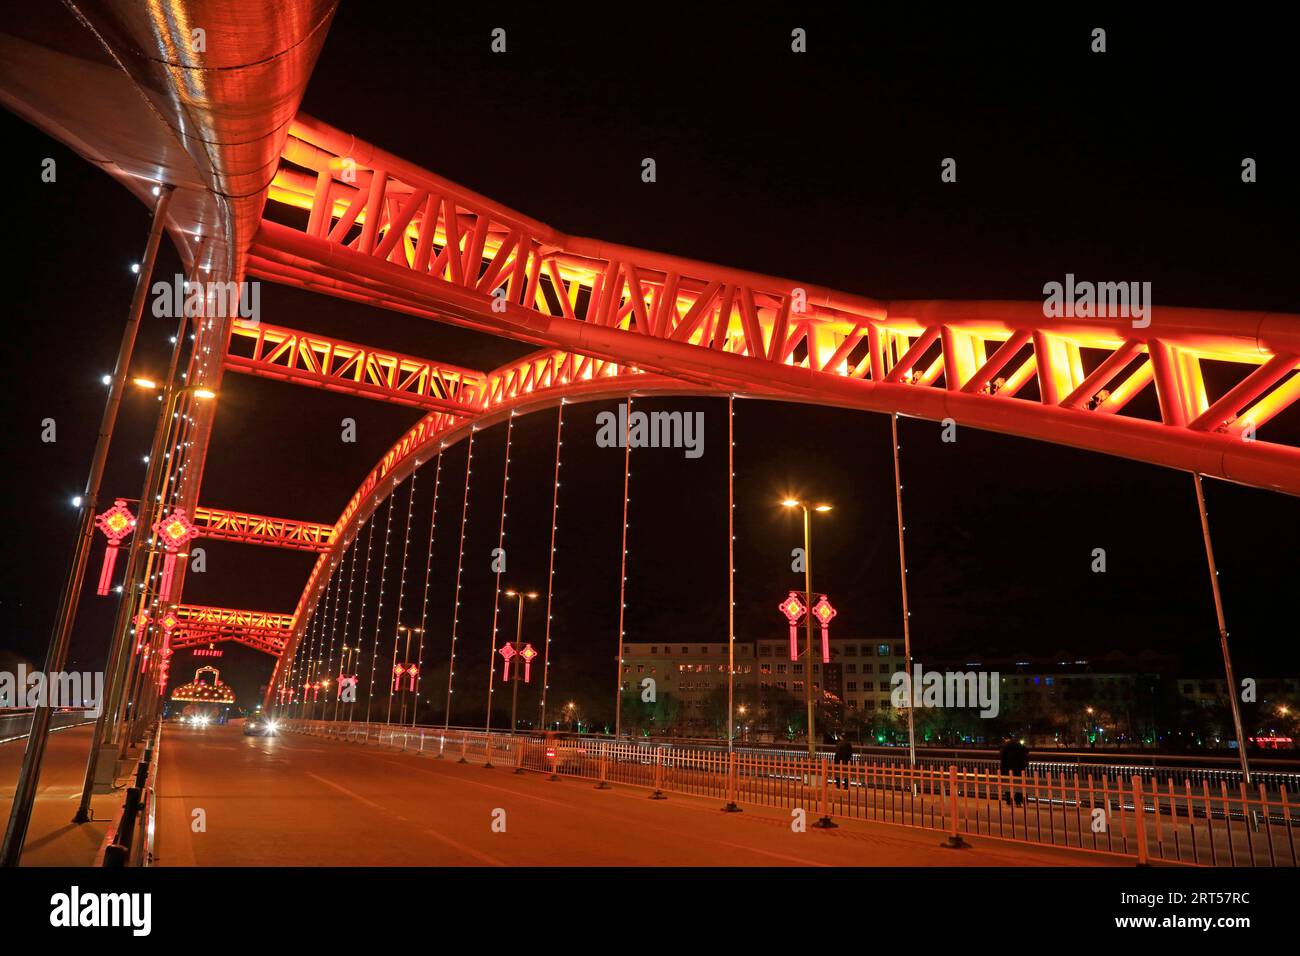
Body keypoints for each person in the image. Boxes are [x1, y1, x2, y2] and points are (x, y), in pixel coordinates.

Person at [999, 735, 1029, 805]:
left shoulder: (1005, 746)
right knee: (1019, 784)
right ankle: (1018, 800)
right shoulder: (1019, 745)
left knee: (1008, 784)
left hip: (1007, 768)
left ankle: (1009, 800)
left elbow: (1002, 757)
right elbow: (1026, 752)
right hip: (1019, 768)